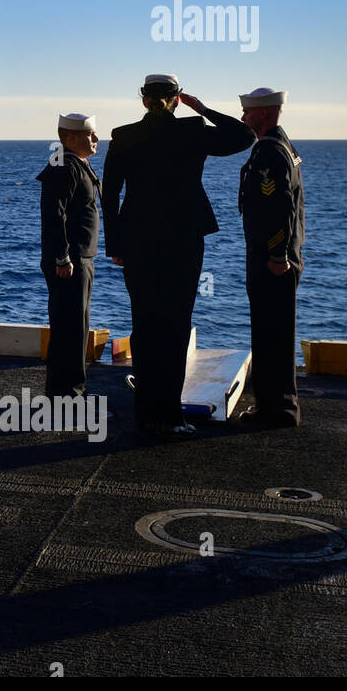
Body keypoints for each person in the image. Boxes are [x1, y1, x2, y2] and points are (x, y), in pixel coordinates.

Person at [101, 75, 254, 437]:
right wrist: (202, 108)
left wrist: (115, 245)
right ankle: (170, 415)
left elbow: (109, 196)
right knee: (175, 324)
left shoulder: (123, 135)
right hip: (183, 240)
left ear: (143, 101)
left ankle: (145, 413)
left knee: (145, 323)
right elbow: (245, 136)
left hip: (137, 241)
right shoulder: (193, 130)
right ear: (176, 99)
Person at [237, 87, 305, 427]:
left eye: (247, 113)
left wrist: (277, 255)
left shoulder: (268, 153)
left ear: (262, 114)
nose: (243, 117)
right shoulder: (283, 146)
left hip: (272, 261)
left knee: (271, 335)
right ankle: (277, 405)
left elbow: (279, 208)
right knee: (274, 333)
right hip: (278, 258)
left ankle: (276, 409)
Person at [36, 112, 100, 396]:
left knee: (75, 325)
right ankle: (67, 393)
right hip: (70, 262)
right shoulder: (64, 166)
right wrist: (62, 258)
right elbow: (54, 215)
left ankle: (67, 390)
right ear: (70, 138)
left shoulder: (77, 164)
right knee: (70, 327)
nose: (96, 139)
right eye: (90, 134)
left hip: (80, 258)